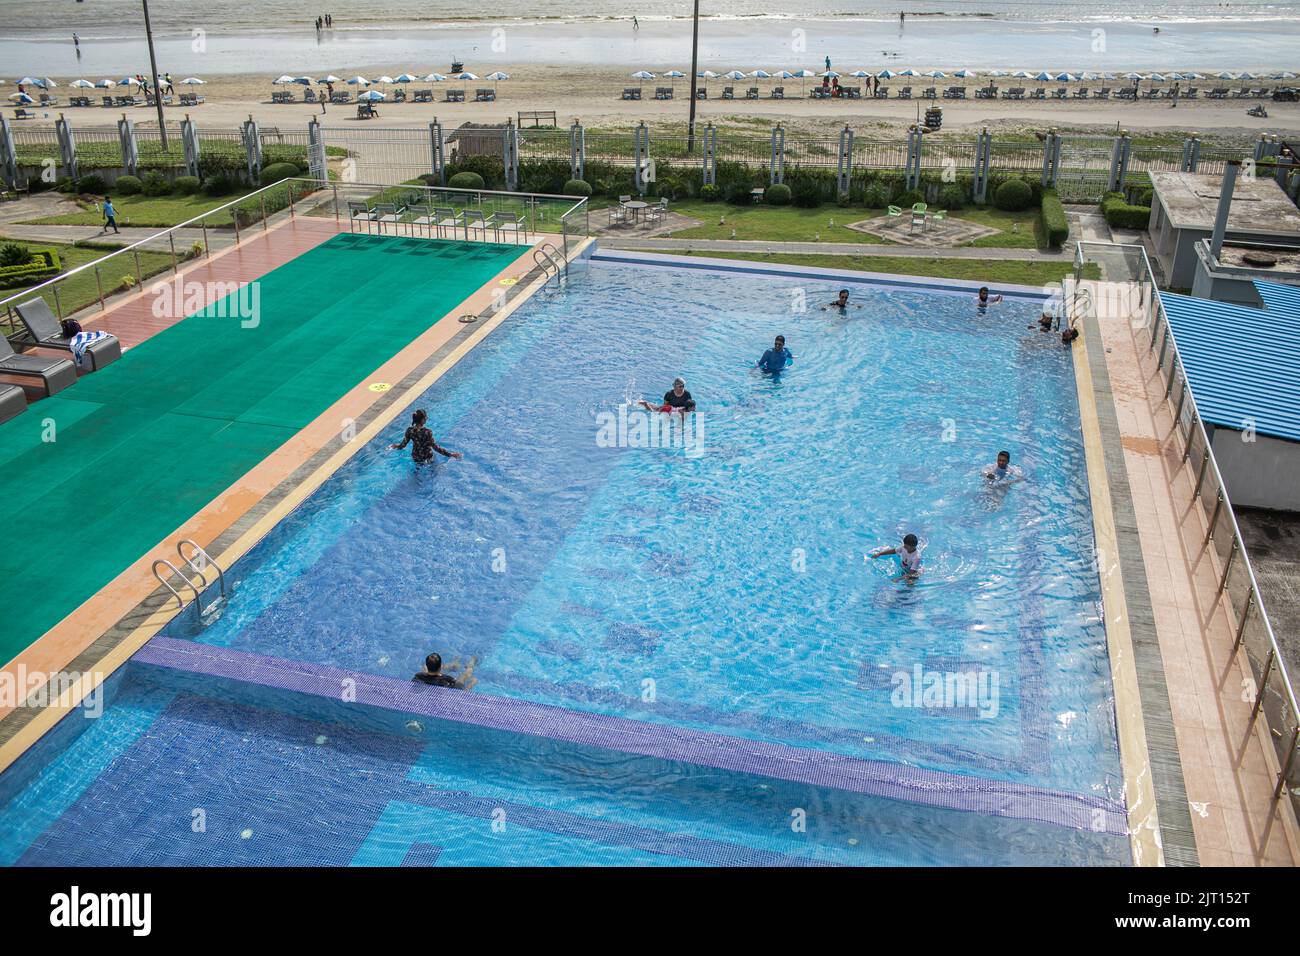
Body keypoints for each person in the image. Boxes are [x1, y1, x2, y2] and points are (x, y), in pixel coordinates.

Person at [390, 409, 461, 464]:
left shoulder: (409, 430)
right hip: (427, 458)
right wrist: (450, 454)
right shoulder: (427, 432)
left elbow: (403, 445)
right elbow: (435, 448)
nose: (427, 418)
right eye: (425, 417)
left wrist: (396, 446)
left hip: (416, 458)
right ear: (422, 420)